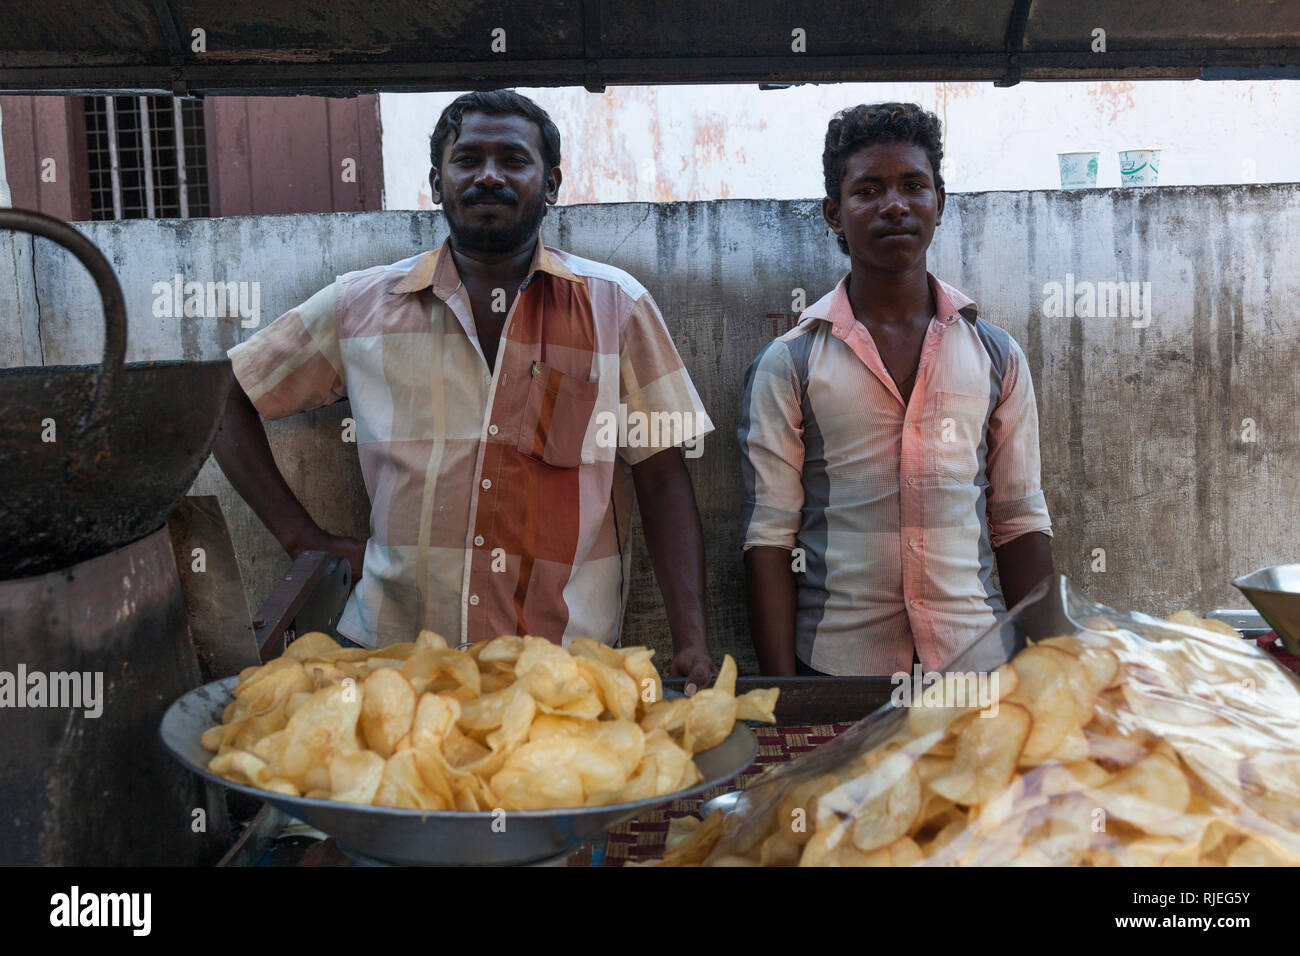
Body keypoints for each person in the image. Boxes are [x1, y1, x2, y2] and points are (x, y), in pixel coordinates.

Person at [215, 90, 719, 691]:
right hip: (393, 665)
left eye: (513, 159)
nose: (488, 175)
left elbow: (662, 475)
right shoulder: (361, 306)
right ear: (436, 181)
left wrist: (691, 641)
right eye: (468, 159)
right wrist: (303, 539)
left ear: (551, 183)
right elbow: (225, 396)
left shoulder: (616, 307)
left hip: (563, 670)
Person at [739, 102, 1054, 677]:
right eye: (868, 190)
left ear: (940, 203)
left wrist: (1051, 669)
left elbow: (1019, 520)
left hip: (976, 665)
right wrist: (786, 693)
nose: (894, 205)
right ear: (834, 213)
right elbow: (770, 538)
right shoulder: (790, 363)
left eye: (914, 185)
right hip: (837, 668)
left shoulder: (996, 356)